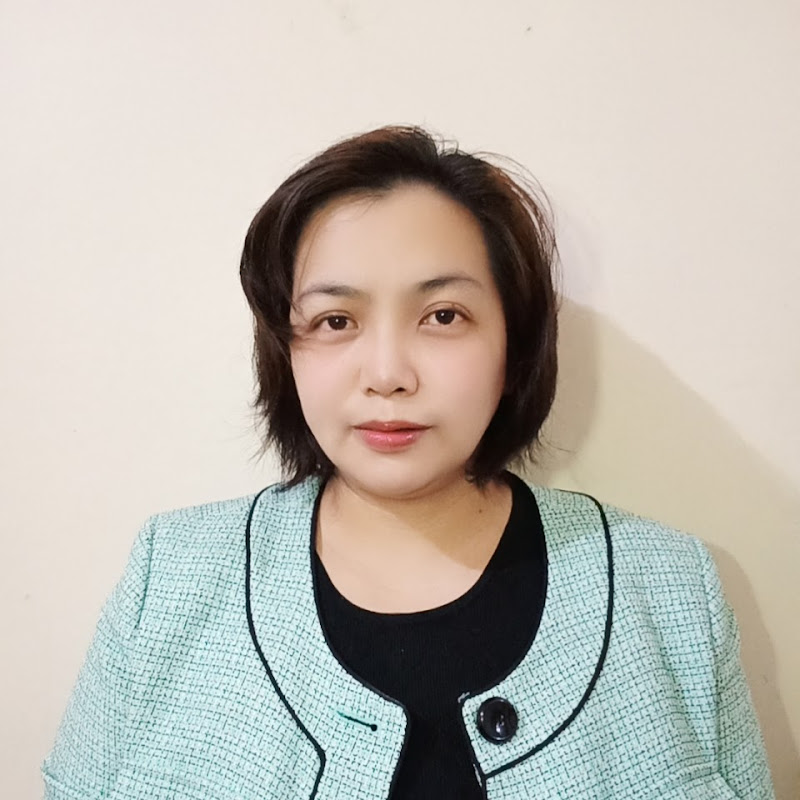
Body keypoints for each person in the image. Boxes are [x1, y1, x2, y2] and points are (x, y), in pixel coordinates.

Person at [42, 126, 775, 799]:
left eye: (443, 316)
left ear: (515, 345)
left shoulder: (672, 591)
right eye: (336, 320)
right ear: (286, 351)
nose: (388, 374)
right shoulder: (169, 577)